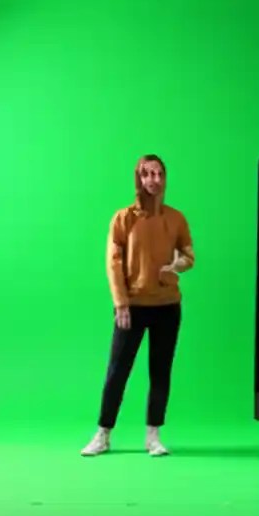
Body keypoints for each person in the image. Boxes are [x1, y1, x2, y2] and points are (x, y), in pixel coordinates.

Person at [81, 155, 194, 457]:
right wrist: (121, 304)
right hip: (132, 306)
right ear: (139, 179)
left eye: (159, 174)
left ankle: (153, 436)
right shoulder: (123, 219)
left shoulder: (176, 218)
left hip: (168, 306)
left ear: (165, 178)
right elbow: (113, 263)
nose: (154, 180)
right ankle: (103, 434)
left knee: (160, 372)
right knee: (117, 371)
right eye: (147, 174)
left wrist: (176, 265)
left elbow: (188, 255)